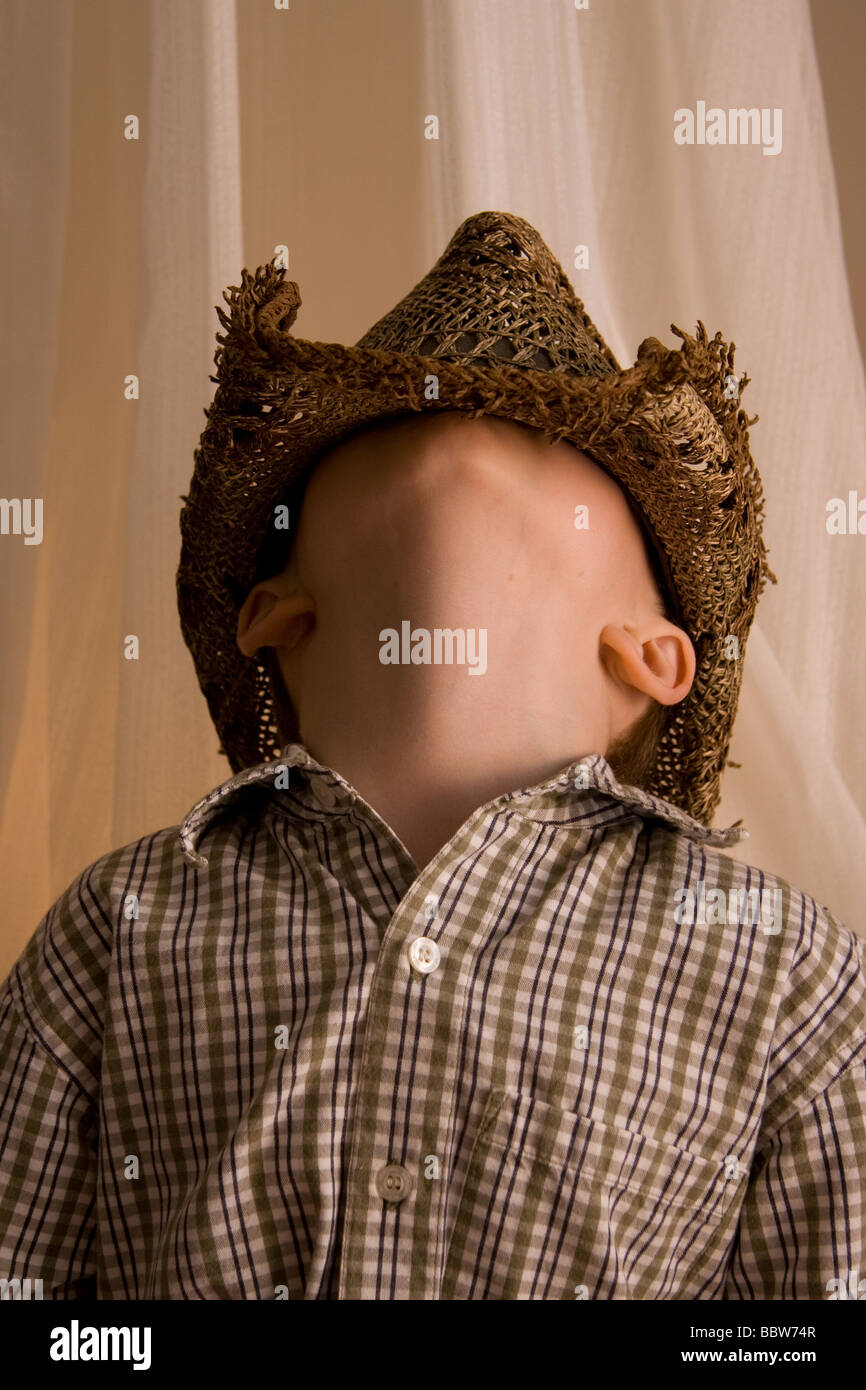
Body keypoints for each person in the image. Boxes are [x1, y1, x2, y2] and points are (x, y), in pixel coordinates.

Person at [0, 211, 863, 1300]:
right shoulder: (117, 928)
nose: (463, 404)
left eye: (553, 443)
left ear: (651, 656)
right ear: (277, 617)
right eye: (378, 441)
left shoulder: (783, 971)